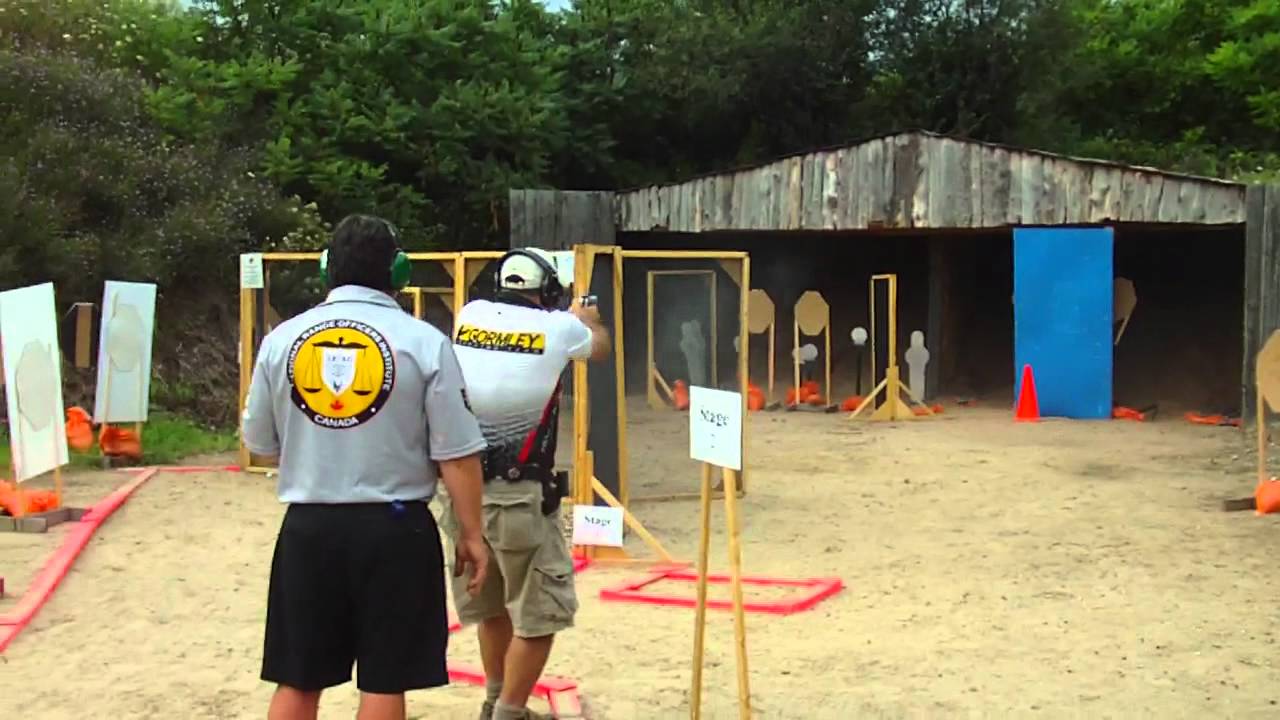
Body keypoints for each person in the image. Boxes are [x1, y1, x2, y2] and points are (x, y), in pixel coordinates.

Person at [241, 214, 490, 720]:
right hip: (395, 526)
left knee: (298, 677)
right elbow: (456, 452)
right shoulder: (423, 341)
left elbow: (259, 443)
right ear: (398, 272)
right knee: (384, 679)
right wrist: (472, 533)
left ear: (326, 268)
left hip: (310, 524)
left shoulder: (281, 339)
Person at [442, 247, 610, 720]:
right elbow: (598, 347)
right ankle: (510, 713)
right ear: (547, 292)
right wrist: (586, 317)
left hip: (465, 492)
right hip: (521, 497)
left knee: (489, 605)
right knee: (541, 614)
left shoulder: (469, 315)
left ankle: (495, 699)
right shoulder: (560, 329)